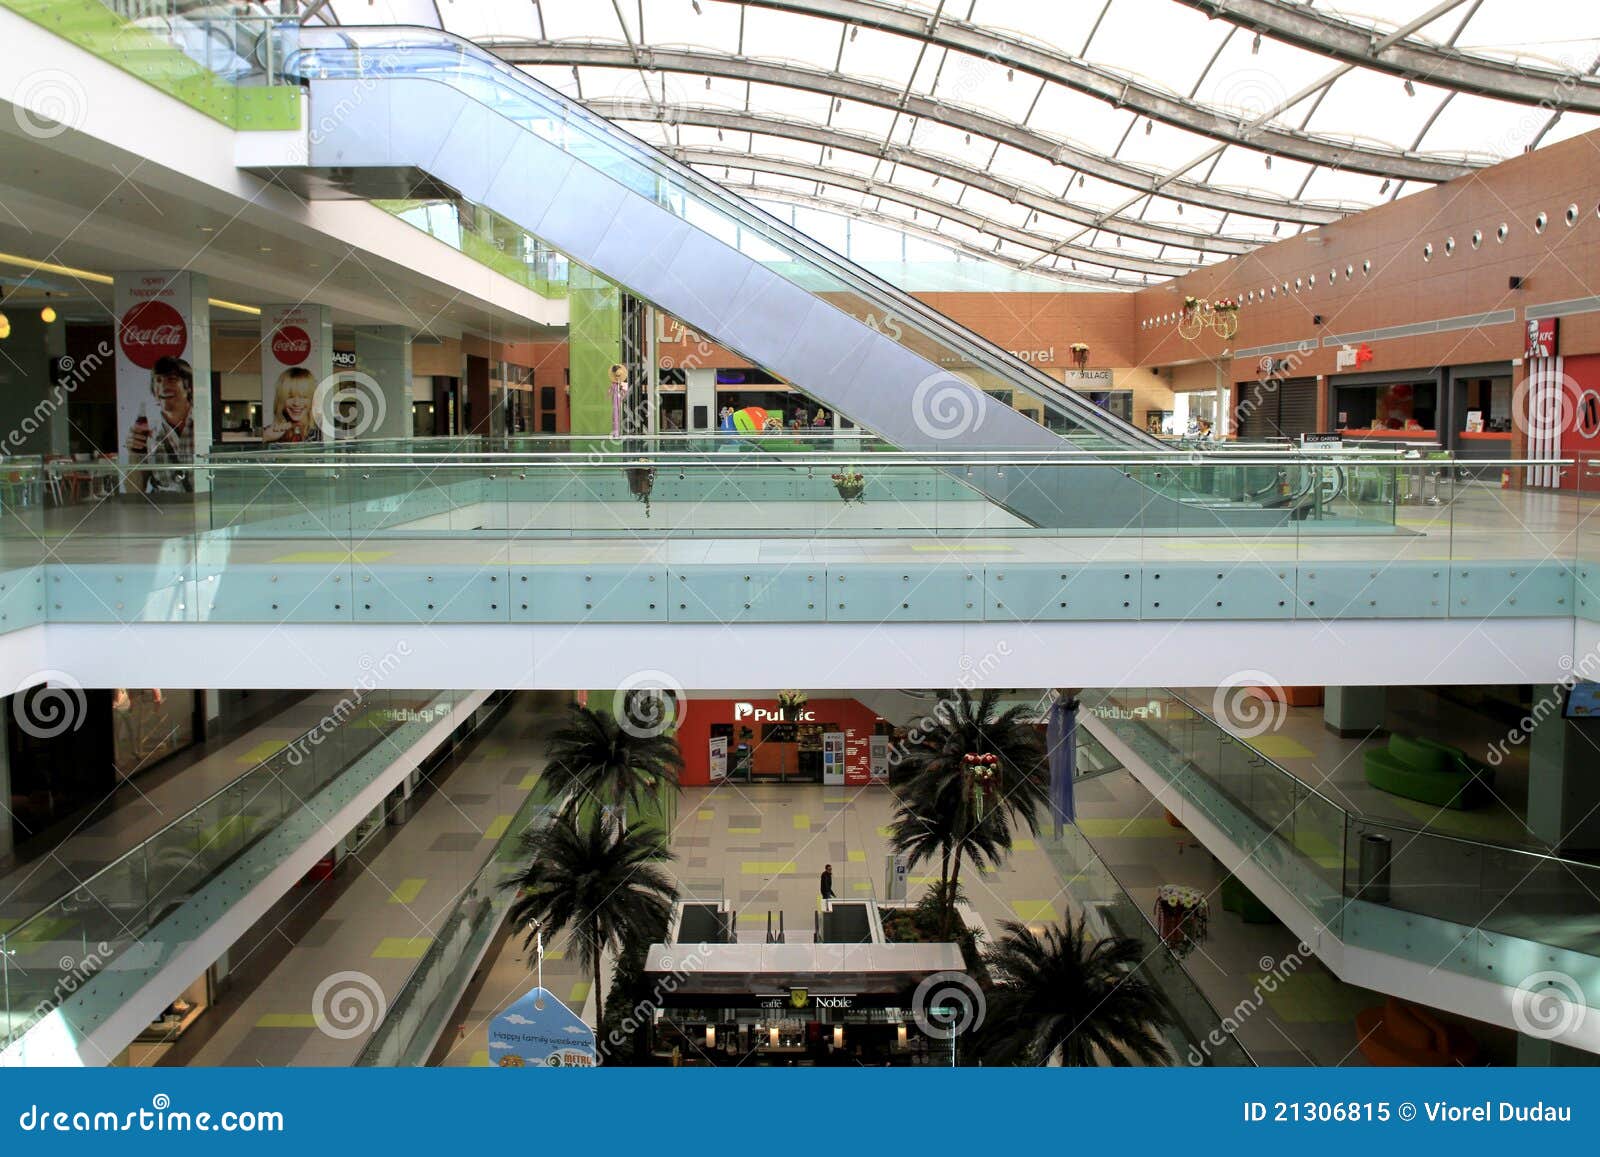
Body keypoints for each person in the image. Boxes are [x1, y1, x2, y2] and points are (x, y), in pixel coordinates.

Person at [126, 355, 194, 493]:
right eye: (158, 380)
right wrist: (134, 454)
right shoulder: (147, 432)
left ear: (188, 387)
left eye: (172, 379)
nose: (163, 386)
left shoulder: (204, 427)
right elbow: (133, 491)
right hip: (162, 508)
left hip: (200, 506)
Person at [261, 367, 323, 443]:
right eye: (290, 396)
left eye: (303, 397)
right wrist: (266, 438)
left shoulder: (324, 432)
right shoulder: (269, 432)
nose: (296, 403)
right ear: (281, 399)